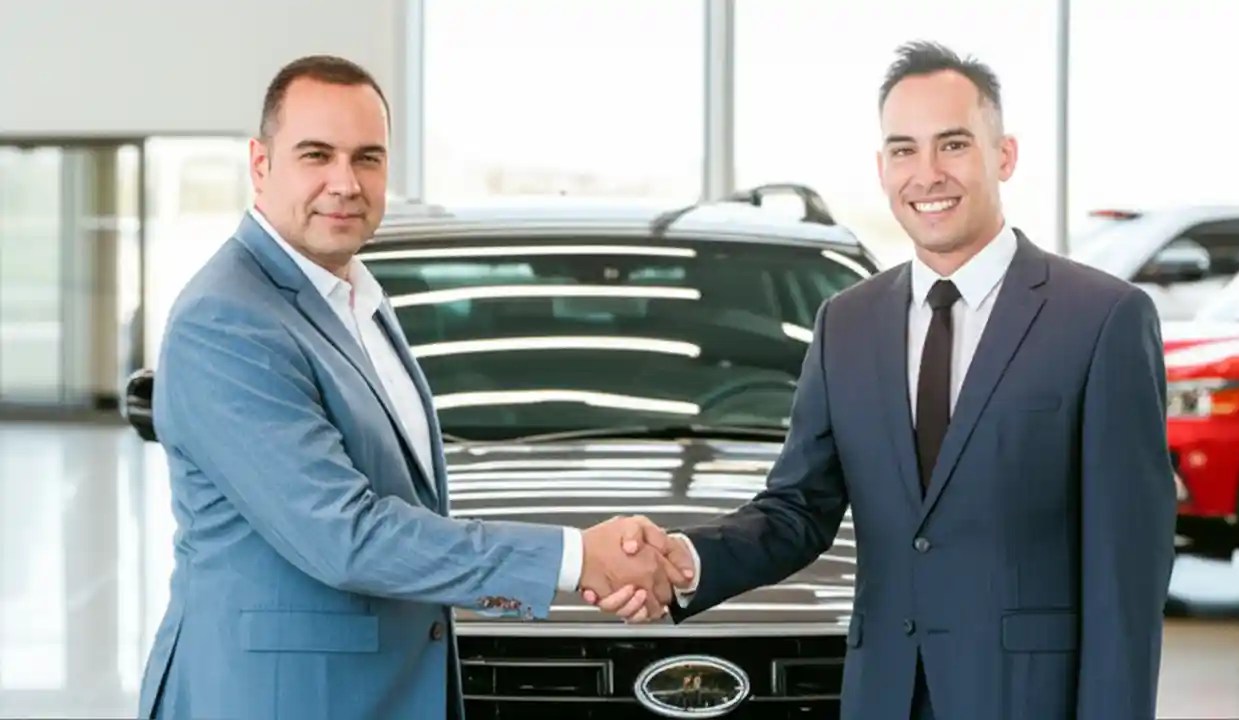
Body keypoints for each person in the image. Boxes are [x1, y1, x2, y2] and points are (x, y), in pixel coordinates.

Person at [587, 41, 1176, 719]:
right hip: (883, 696)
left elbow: (1126, 574)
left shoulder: (1101, 320)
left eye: (953, 145)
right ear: (881, 167)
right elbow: (797, 511)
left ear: (1004, 155)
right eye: (904, 150)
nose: (927, 174)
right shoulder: (847, 323)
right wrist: (685, 561)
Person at [136, 54, 685, 720]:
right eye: (317, 155)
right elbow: (346, 534)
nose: (345, 182)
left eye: (367, 158)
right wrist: (575, 557)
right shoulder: (228, 318)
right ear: (260, 164)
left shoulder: (354, 296)